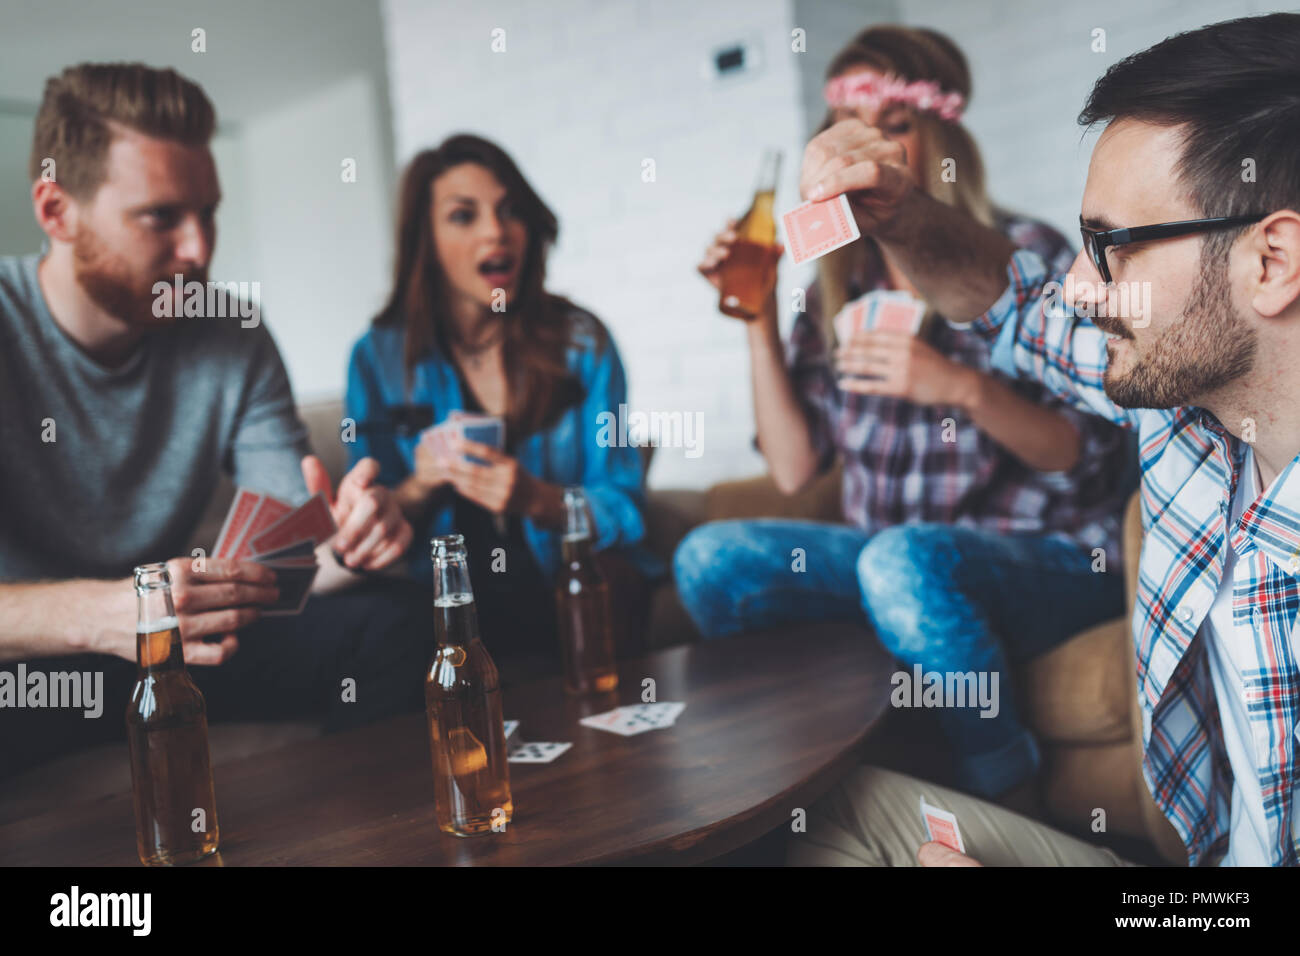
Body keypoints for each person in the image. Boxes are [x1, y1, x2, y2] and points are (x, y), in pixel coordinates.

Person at [788, 12, 1300, 867]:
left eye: (1110, 247)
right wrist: (900, 213)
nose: (1077, 282)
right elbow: (1014, 303)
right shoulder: (1182, 414)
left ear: (1271, 262)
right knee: (834, 816)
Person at [674, 26, 1134, 810]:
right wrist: (752, 315)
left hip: (1042, 562)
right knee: (711, 558)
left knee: (903, 561)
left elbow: (1083, 452)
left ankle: (1003, 801)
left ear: (941, 141)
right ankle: (804, 773)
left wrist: (959, 387)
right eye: (849, 126)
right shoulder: (839, 284)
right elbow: (792, 470)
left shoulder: (1018, 251)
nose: (868, 146)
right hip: (889, 567)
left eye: (895, 125)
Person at [0, 63, 426, 780]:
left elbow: (285, 567)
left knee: (397, 618)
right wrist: (108, 614)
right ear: (56, 211)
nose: (199, 250)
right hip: (31, 671)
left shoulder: (231, 332)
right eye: (161, 217)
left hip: (180, 651)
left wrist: (348, 546)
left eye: (209, 212)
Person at [345, 134, 659, 681]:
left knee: (611, 582)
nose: (496, 231)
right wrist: (417, 489)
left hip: (558, 583)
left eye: (510, 211)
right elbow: (368, 516)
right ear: (427, 240)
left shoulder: (581, 343)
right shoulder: (377, 358)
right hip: (443, 601)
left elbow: (624, 508)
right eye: (464, 216)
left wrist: (540, 500)